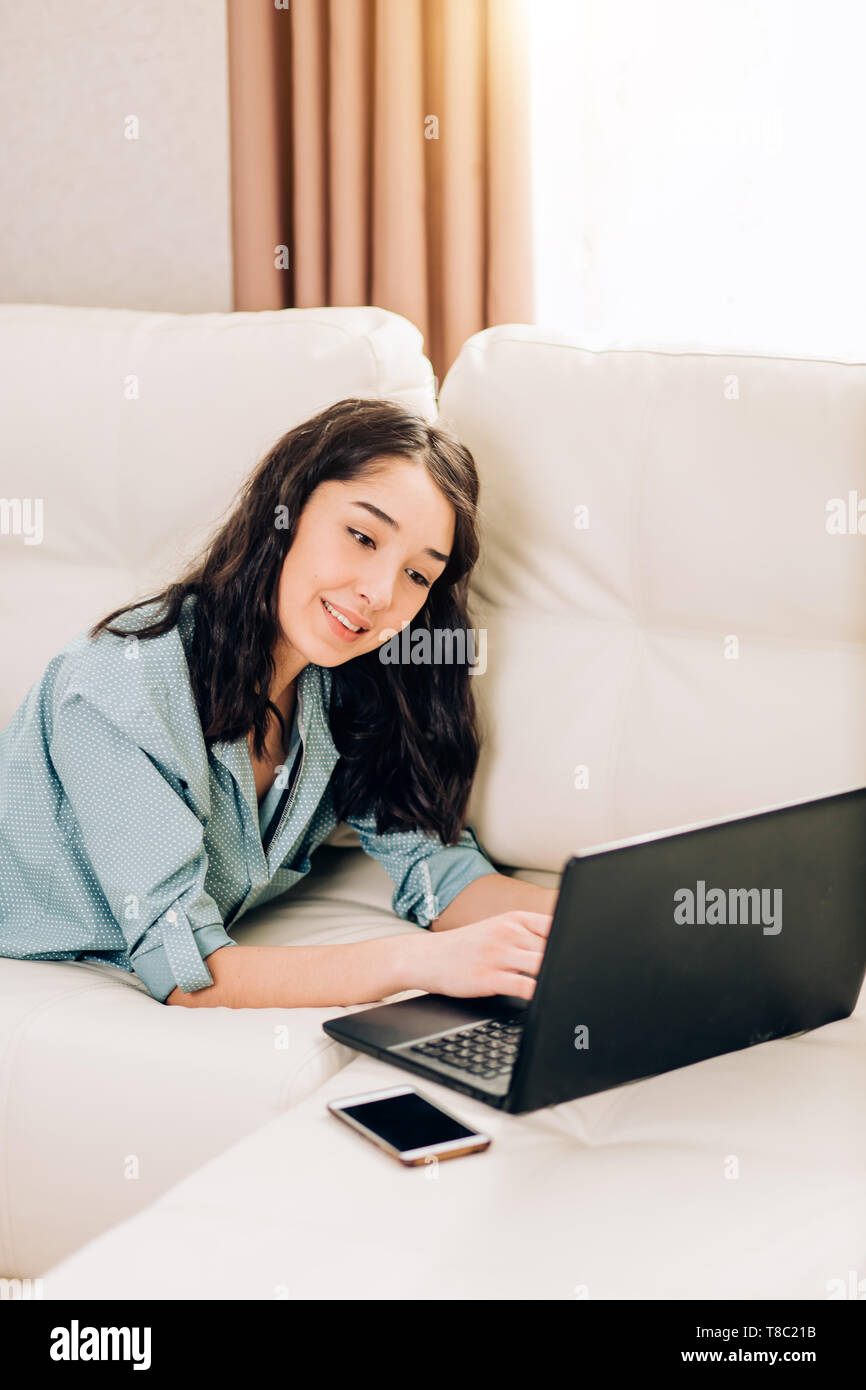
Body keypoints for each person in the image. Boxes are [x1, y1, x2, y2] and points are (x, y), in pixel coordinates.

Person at [0, 397, 554, 1009]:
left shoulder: (343, 683)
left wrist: (608, 923)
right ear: (284, 513)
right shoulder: (119, 685)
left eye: (418, 576)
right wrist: (417, 962)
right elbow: (192, 977)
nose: (379, 594)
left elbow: (439, 874)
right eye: (362, 536)